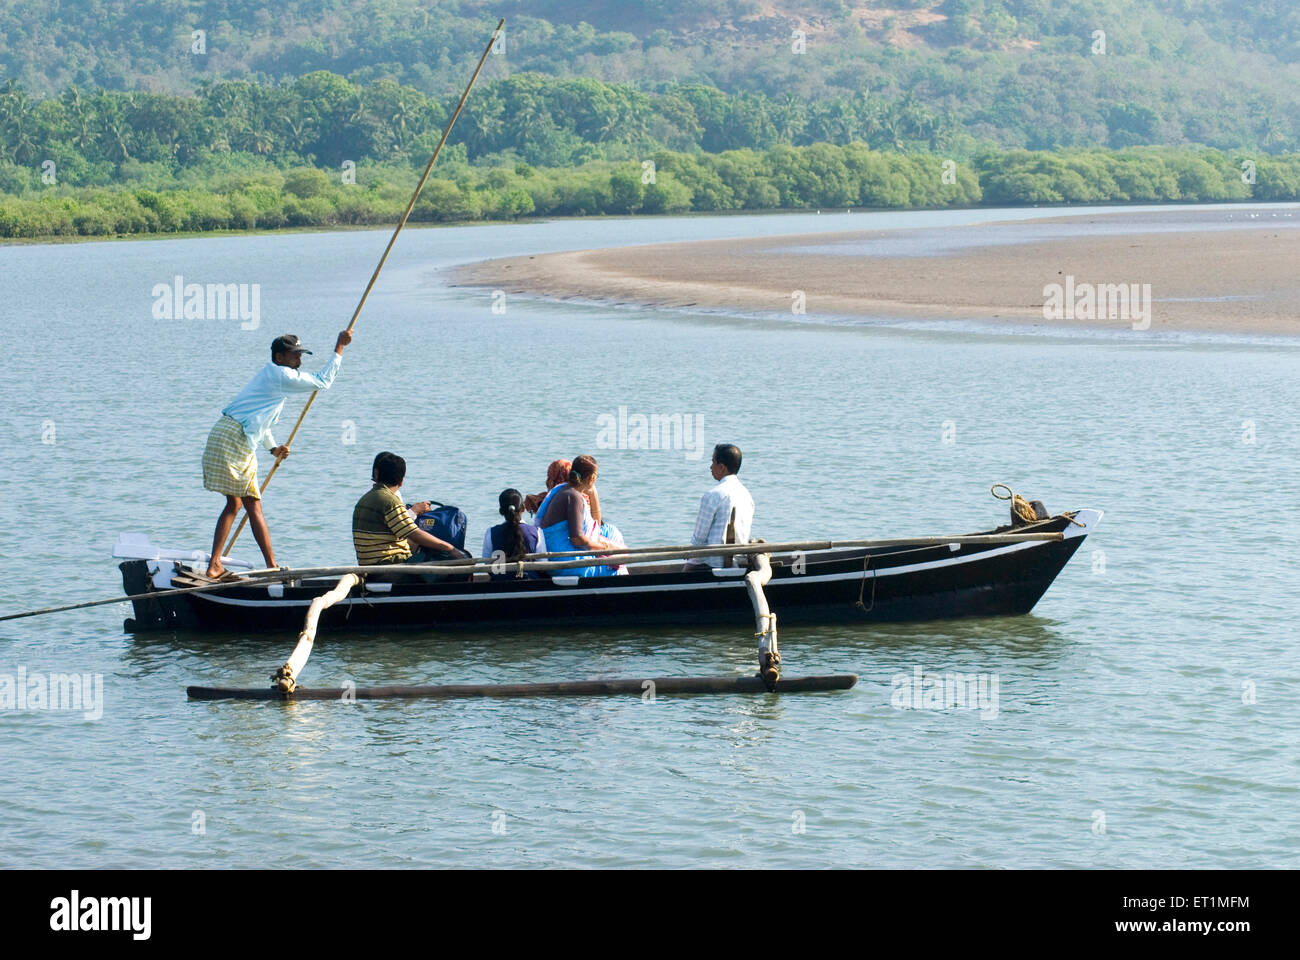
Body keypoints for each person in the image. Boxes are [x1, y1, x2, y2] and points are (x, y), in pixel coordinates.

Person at [202, 331, 352, 579]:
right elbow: (323, 381)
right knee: (249, 503)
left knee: (237, 503)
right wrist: (339, 348)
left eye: (300, 356)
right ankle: (267, 566)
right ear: (279, 356)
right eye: (295, 357)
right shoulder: (281, 375)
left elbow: (258, 422)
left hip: (228, 433)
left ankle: (218, 563)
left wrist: (272, 448)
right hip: (233, 439)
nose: (299, 362)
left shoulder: (271, 375)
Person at [352, 451, 468, 578]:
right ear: (401, 481)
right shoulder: (389, 501)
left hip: (370, 565)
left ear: (377, 474)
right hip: (389, 566)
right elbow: (414, 534)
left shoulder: (365, 499)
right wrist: (450, 548)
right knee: (448, 563)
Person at [535, 455, 627, 577]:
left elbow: (591, 531)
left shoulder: (566, 491)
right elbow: (577, 539)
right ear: (591, 478)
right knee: (617, 571)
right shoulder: (574, 497)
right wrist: (605, 548)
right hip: (563, 562)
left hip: (558, 555)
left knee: (619, 550)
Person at [685, 443, 754, 570]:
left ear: (721, 467)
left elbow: (699, 540)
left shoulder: (713, 495)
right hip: (740, 563)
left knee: (687, 570)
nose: (710, 467)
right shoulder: (747, 495)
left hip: (714, 564)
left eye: (713, 462)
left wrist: (688, 566)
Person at [481, 489, 547, 580]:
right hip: (530, 583)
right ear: (523, 508)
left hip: (500, 585)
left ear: (501, 511)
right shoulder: (536, 532)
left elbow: (488, 565)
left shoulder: (491, 532)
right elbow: (542, 564)